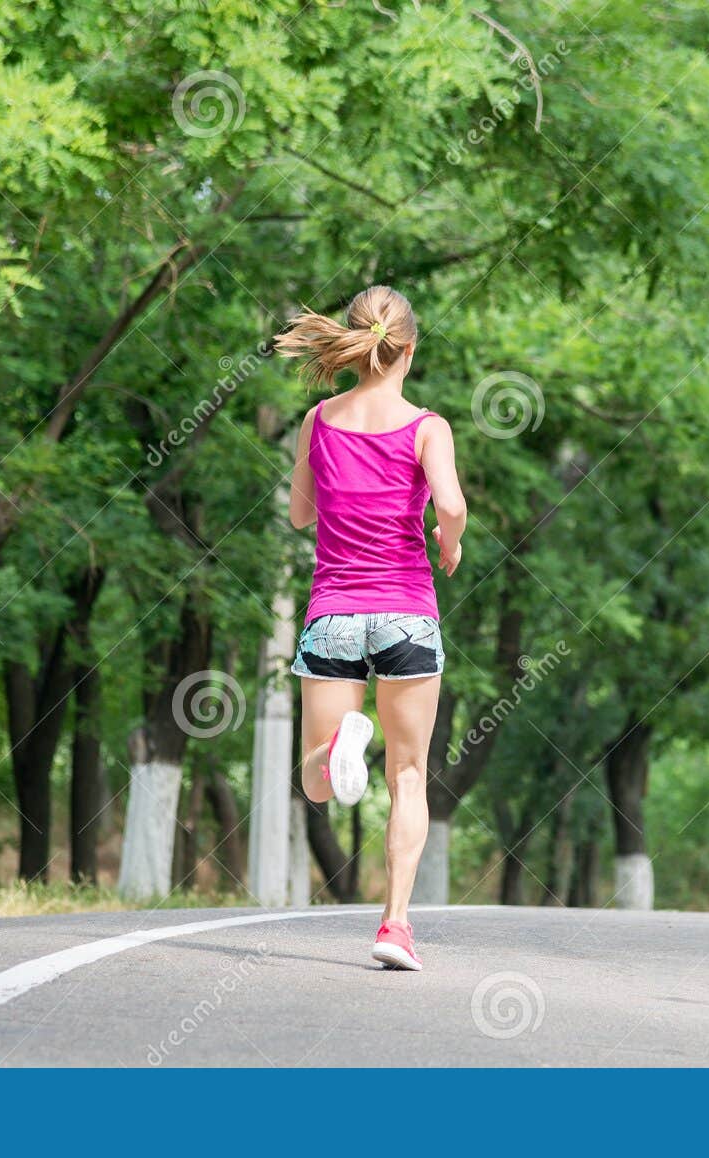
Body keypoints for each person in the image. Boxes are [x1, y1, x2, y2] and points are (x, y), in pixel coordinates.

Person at [274, 285, 467, 971]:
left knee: (316, 783)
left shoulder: (318, 420)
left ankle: (336, 751)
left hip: (333, 614)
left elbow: (300, 514)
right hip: (407, 614)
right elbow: (449, 502)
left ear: (356, 347)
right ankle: (394, 928)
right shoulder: (427, 426)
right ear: (408, 349)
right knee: (410, 774)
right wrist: (449, 541)